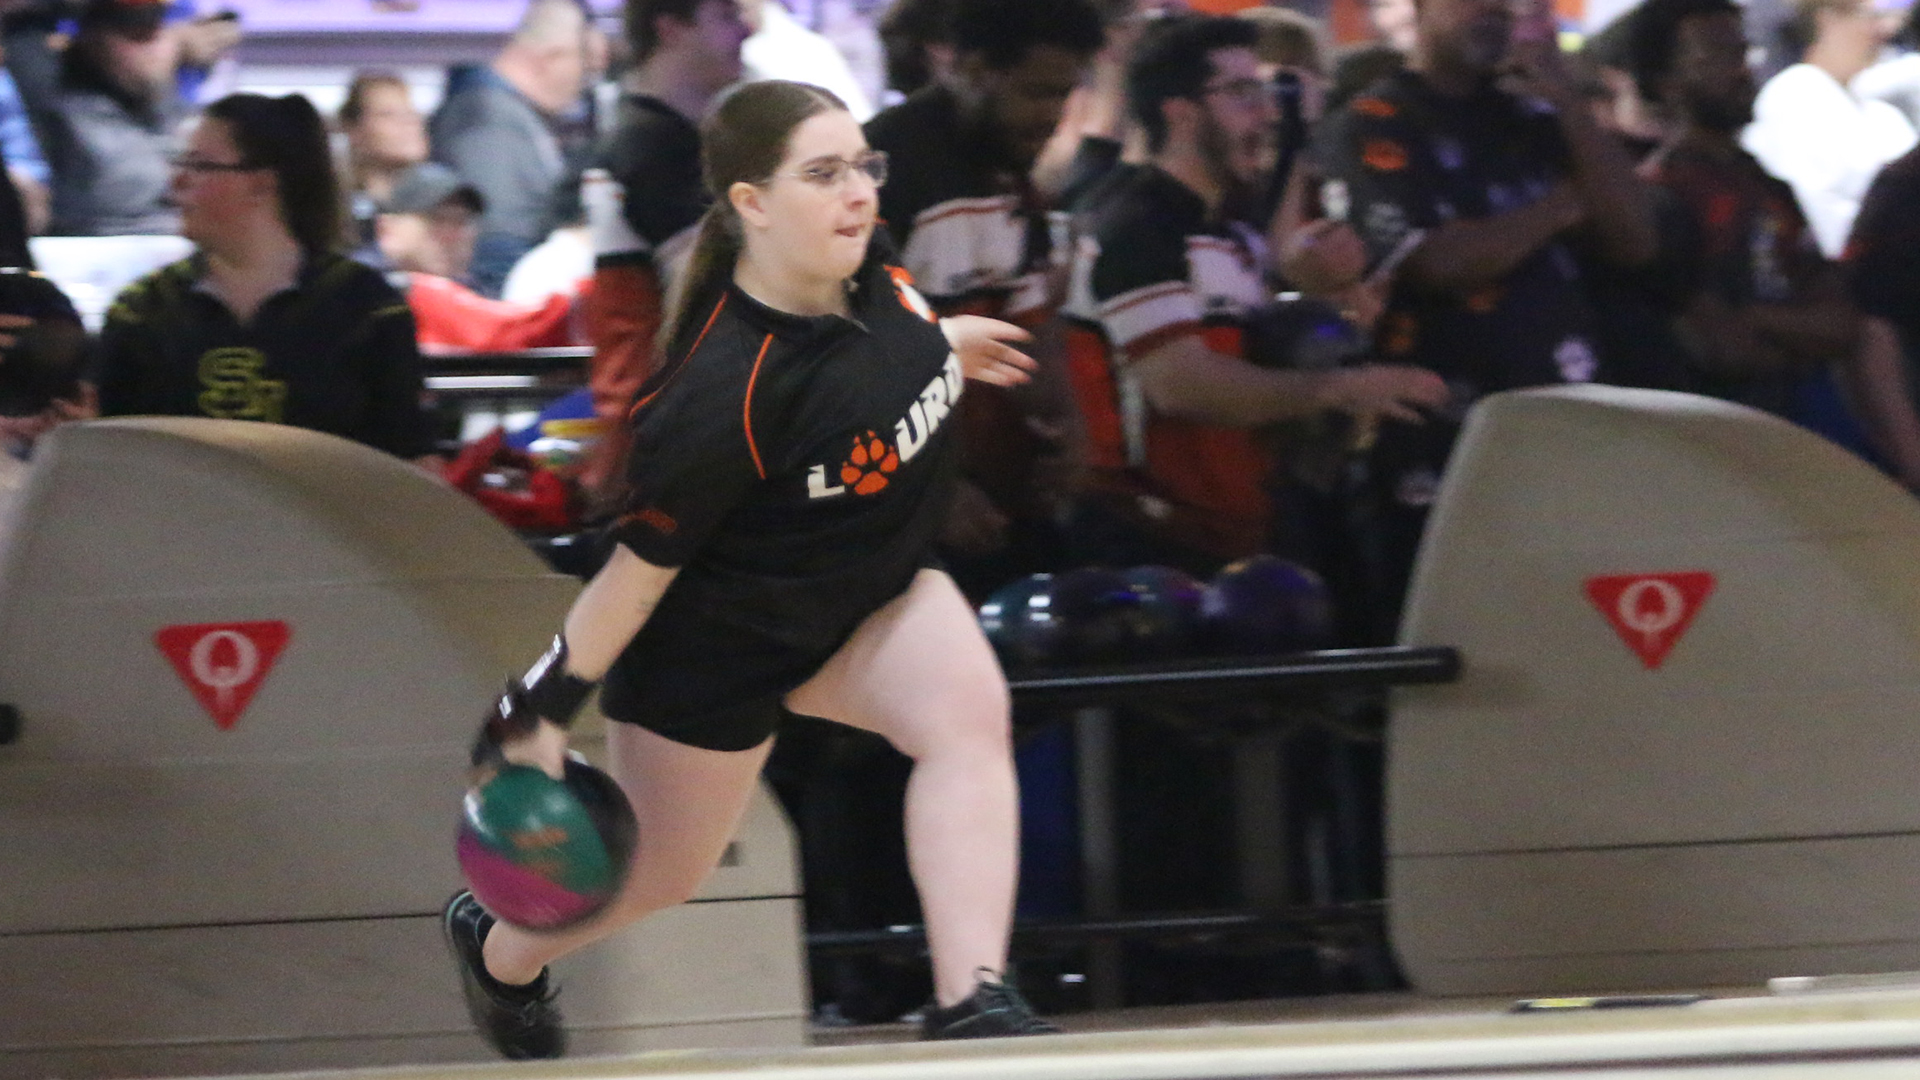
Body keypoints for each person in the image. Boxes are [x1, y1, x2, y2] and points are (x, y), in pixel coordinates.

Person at [441, 79, 1057, 1060]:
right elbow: (631, 582)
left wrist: (945, 350)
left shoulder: (871, 267)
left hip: (868, 599)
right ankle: (499, 946)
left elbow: (871, 368)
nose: (858, 192)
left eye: (865, 166)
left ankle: (971, 997)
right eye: (824, 173)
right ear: (751, 204)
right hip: (716, 649)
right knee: (662, 876)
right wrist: (534, 708)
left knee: (968, 713)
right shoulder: (717, 396)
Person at [1310, 0, 1655, 637]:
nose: (1497, 10)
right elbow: (1439, 263)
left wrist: (1566, 101)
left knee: (1573, 649)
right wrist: (1561, 206)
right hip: (1438, 452)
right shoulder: (1371, 122)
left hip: (1565, 441)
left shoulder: (1536, 120)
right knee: (1454, 646)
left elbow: (1636, 239)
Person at [1062, 15, 1447, 574]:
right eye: (1242, 93)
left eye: (1263, 92)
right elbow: (1181, 384)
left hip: (1230, 536)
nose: (1266, 113)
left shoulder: (1227, 230)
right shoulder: (1138, 224)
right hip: (1147, 546)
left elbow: (1252, 373)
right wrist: (1343, 388)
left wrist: (1334, 313)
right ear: (1181, 112)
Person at [865, 0, 1106, 597]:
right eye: (1035, 93)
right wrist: (928, 487)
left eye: (1063, 95)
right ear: (970, 70)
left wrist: (1069, 422)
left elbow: (1028, 324)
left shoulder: (1007, 174)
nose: (1051, 117)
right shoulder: (881, 174)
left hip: (993, 507)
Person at [96, 94, 430, 460]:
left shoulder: (367, 309)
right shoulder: (144, 311)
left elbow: (404, 458)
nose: (176, 182)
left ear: (261, 184)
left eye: (199, 165)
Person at [1629, 0, 1875, 440]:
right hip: (1710, 438)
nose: (1742, 71)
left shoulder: (1768, 187)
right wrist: (1798, 336)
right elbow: (1720, 349)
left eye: (1743, 52)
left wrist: (1756, 318)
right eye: (1719, 55)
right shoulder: (1659, 195)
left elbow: (1842, 320)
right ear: (1666, 81)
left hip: (1797, 425)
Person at [574, 0, 750, 502]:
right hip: (668, 454)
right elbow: (721, 310)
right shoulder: (653, 150)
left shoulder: (656, 142)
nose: (746, 30)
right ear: (671, 28)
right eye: (726, 15)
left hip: (659, 444)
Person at [430, 0, 593, 295]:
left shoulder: (499, 113)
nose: (582, 80)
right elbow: (497, 241)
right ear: (551, 57)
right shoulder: (489, 118)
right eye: (582, 62)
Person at [1742, 0, 1916, 258]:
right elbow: (1826, 217)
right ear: (1829, 19)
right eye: (1869, 17)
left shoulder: (1883, 114)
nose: (1881, 31)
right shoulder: (1795, 93)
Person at [373, 162, 582, 353]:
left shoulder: (481, 293)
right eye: (436, 220)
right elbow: (509, 332)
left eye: (461, 221)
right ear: (387, 230)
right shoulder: (367, 294)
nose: (451, 234)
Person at [36, 0, 187, 236]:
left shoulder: (170, 107)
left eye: (158, 32)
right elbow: (123, 185)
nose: (154, 51)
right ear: (93, 41)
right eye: (137, 37)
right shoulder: (63, 116)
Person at [338, 71, 431, 252]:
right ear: (354, 129)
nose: (408, 123)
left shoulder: (444, 201)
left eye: (411, 112)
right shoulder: (340, 210)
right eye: (388, 114)